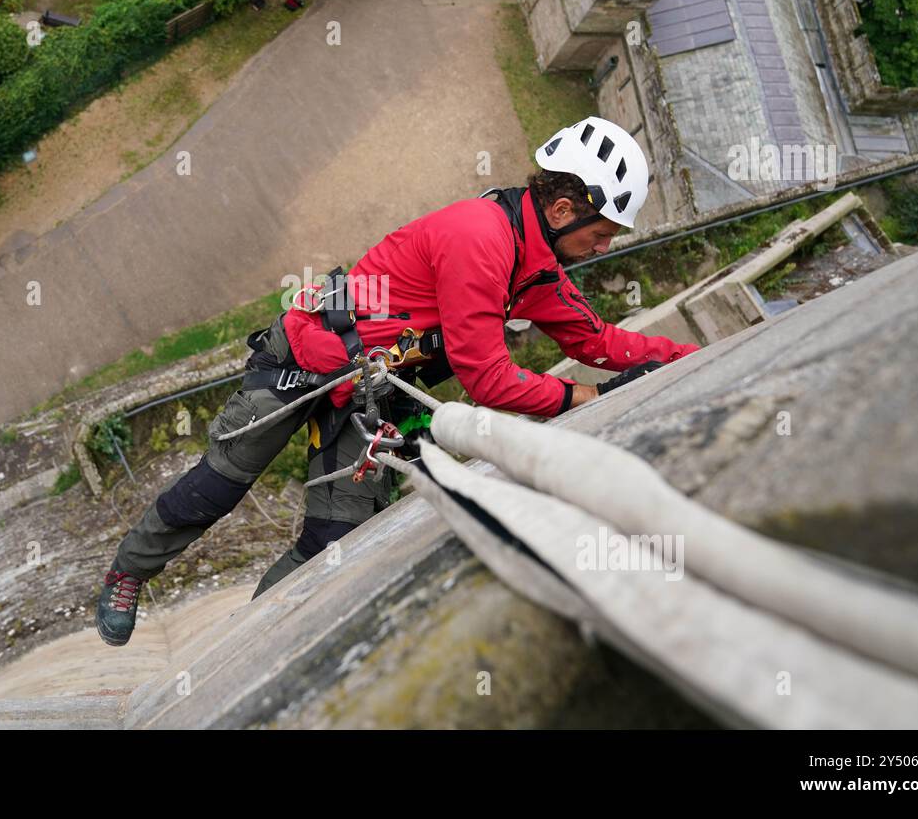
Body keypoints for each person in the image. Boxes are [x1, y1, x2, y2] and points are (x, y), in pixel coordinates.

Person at [95, 116, 701, 646]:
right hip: (308, 354)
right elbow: (487, 379)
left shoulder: (537, 267)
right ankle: (129, 572)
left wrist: (685, 357)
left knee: (336, 539)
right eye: (599, 235)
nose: (599, 249)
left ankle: (252, 640)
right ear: (564, 210)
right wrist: (586, 396)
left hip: (372, 386)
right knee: (220, 485)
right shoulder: (481, 238)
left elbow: (596, 340)